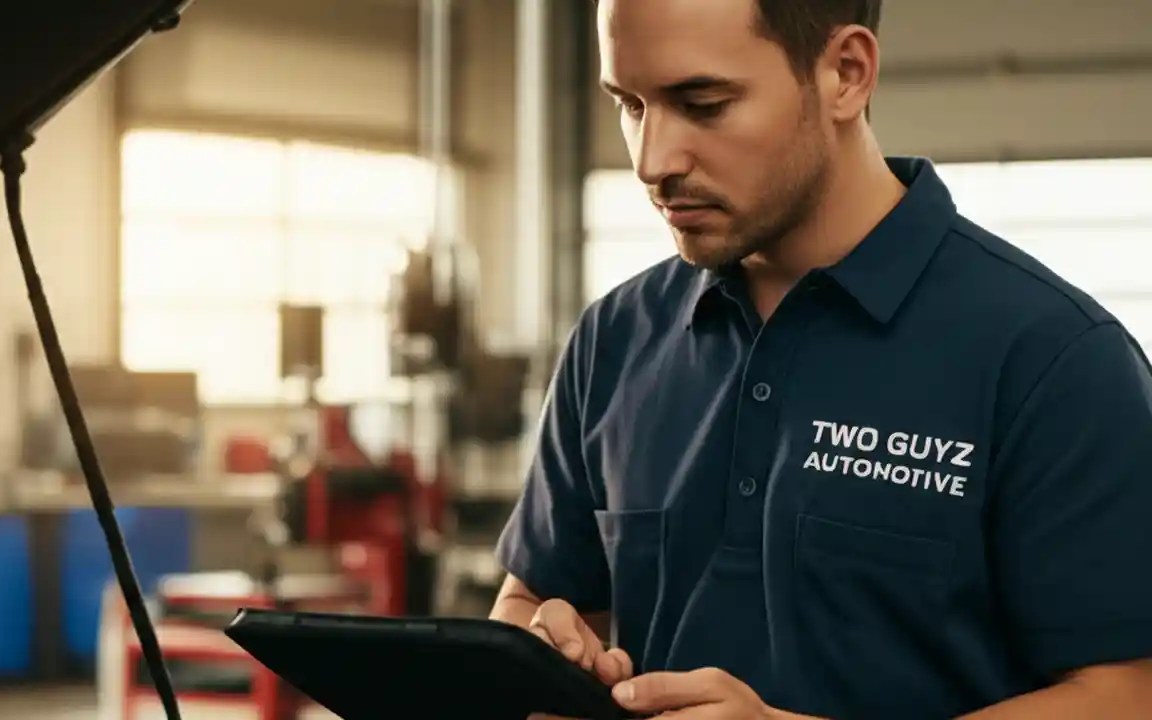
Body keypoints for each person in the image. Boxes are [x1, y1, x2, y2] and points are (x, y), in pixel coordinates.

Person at [489, 0, 1152, 718]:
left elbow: (1129, 693)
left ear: (846, 73)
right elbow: (536, 602)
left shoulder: (1054, 360)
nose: (654, 160)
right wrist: (546, 658)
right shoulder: (614, 340)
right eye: (630, 105)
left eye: (703, 104)